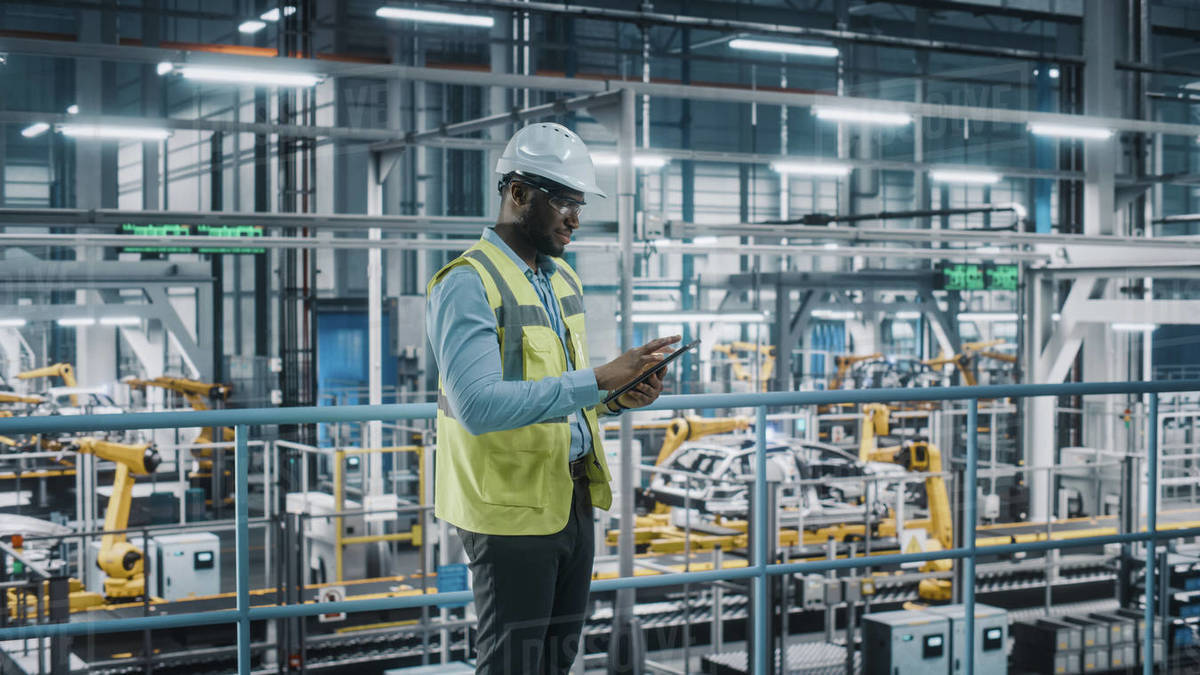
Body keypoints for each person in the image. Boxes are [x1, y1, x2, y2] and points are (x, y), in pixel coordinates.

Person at [425, 121, 680, 674]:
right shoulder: (467, 282)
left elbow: (558, 394)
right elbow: (479, 406)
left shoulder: (563, 281)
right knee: (513, 665)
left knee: (556, 664)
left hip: (571, 498)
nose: (575, 218)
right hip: (508, 512)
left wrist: (618, 398)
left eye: (579, 204)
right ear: (517, 194)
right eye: (562, 201)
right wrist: (600, 380)